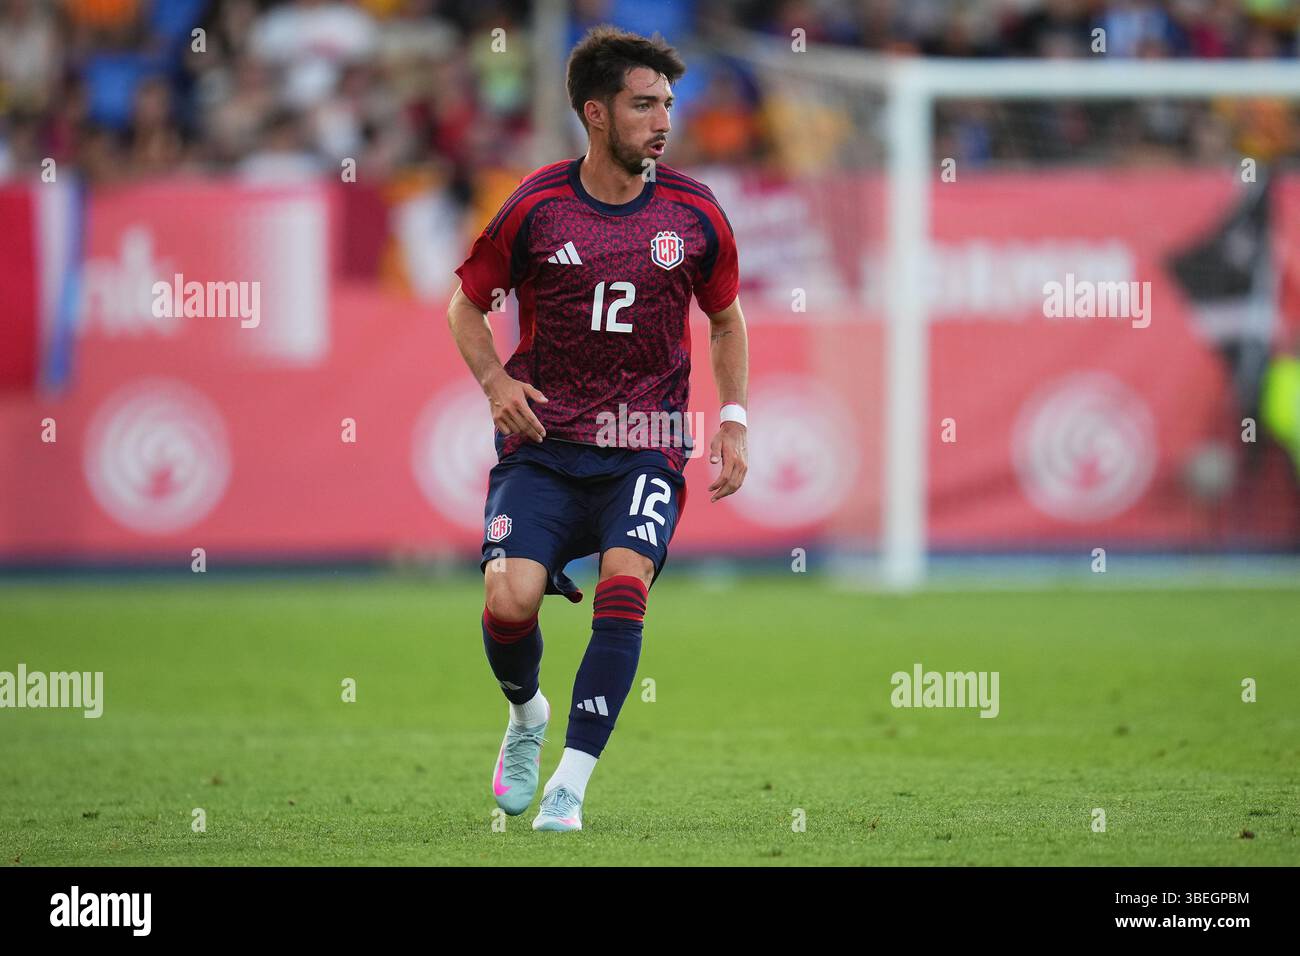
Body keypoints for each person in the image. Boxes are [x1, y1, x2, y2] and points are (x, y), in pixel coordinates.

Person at [446, 24, 749, 831]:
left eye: (668, 105)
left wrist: (735, 420)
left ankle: (571, 783)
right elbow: (466, 305)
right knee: (509, 603)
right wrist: (494, 380)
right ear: (596, 113)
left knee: (623, 588)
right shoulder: (538, 207)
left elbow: (725, 320)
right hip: (543, 449)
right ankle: (526, 716)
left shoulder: (694, 213)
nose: (662, 120)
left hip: (644, 447)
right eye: (643, 104)